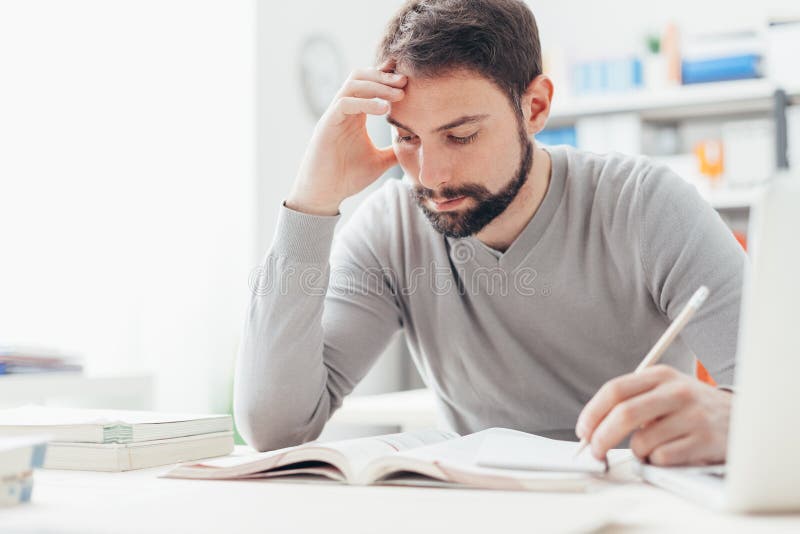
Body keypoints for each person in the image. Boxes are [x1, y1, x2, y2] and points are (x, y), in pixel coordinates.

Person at [235, 0, 745, 466]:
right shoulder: (389, 229)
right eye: (407, 137)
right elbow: (275, 429)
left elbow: (779, 399)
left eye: (461, 135)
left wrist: (735, 419)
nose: (430, 175)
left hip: (633, 504)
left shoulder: (648, 206)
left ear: (535, 108)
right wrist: (311, 204)